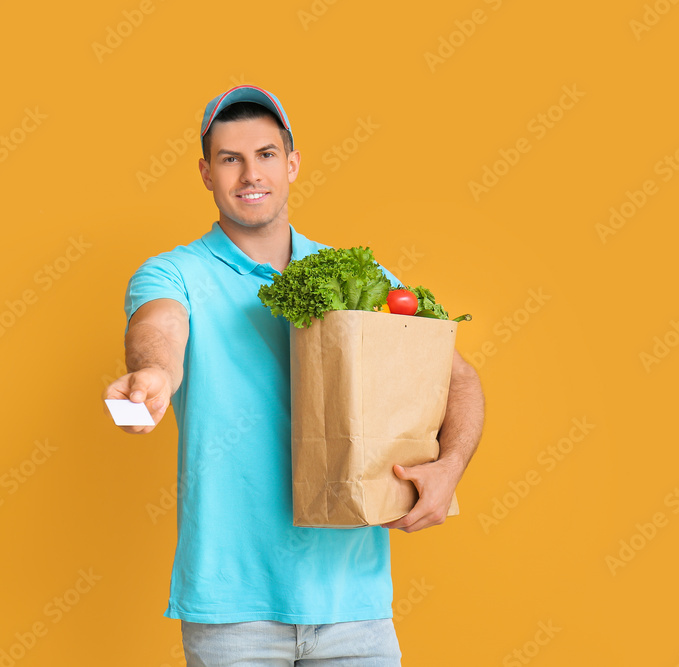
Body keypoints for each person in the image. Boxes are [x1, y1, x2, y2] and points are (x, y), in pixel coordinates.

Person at [104, 85, 485, 665]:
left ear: (292, 163)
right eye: (229, 159)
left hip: (355, 607)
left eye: (265, 154)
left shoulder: (356, 275)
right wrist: (154, 374)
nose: (249, 173)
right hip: (233, 613)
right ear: (206, 173)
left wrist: (449, 468)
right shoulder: (173, 272)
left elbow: (457, 377)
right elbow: (160, 330)